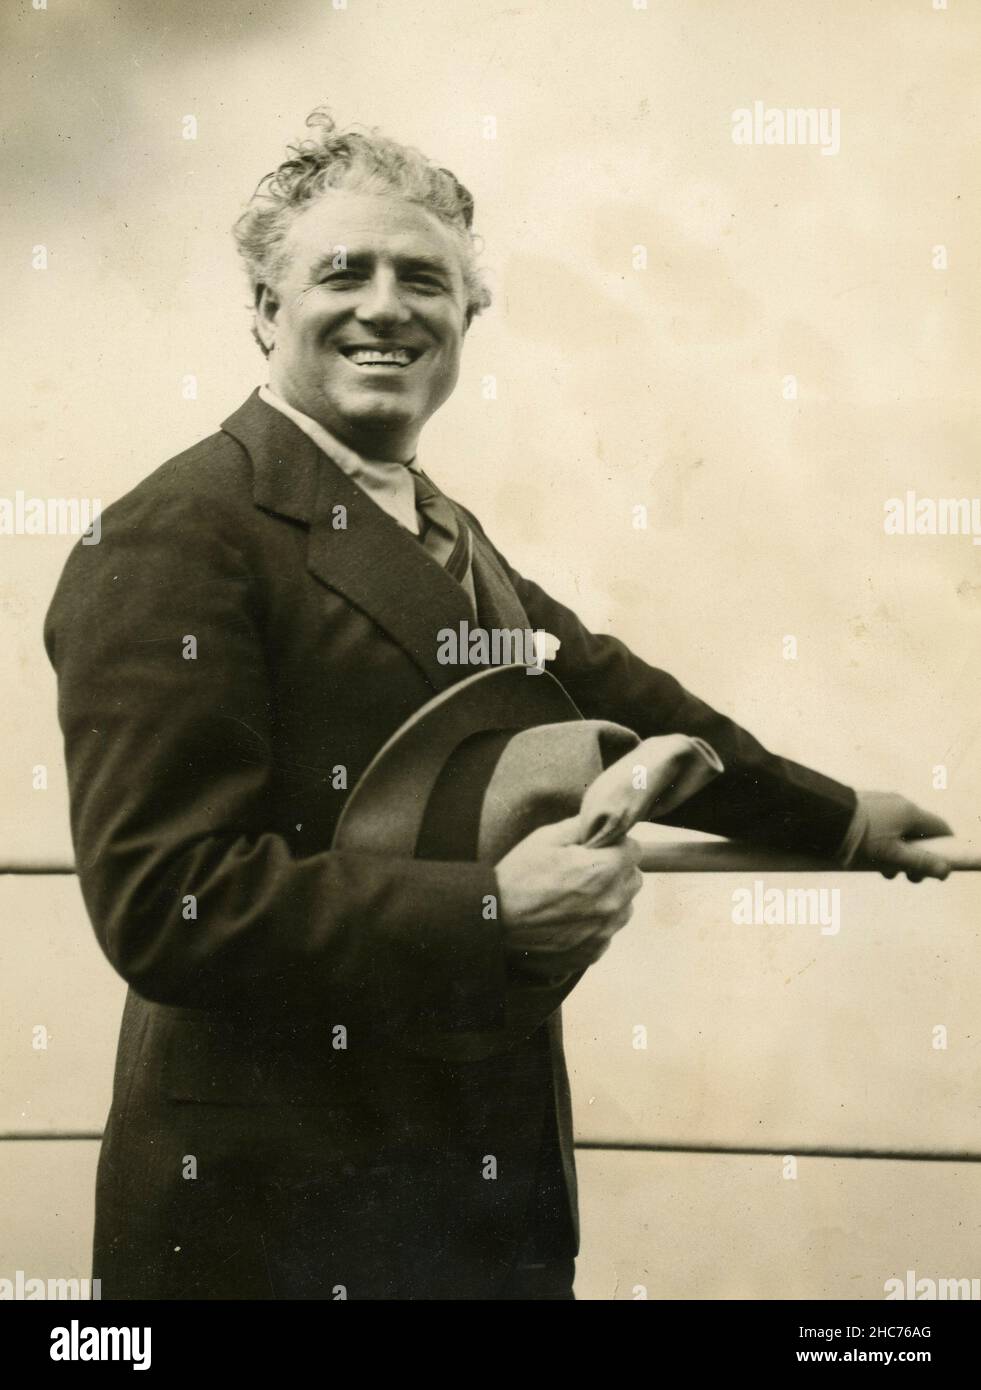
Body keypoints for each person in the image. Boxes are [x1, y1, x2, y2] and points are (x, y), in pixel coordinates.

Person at [43, 108, 952, 1301]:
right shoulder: (176, 532)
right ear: (265, 311)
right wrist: (489, 908)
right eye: (341, 273)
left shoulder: (435, 528)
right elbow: (165, 902)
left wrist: (838, 821)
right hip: (272, 1215)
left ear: (466, 320)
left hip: (472, 1187)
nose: (386, 306)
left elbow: (613, 682)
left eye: (424, 279)